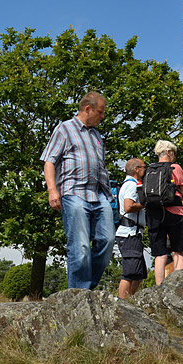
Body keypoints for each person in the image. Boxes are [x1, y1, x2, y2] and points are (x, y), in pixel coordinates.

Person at [41, 91, 115, 290]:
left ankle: (88, 287)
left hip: (99, 194)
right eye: (100, 112)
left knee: (107, 240)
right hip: (73, 193)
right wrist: (52, 190)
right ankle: (80, 293)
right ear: (88, 109)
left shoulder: (97, 135)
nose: (103, 116)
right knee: (80, 246)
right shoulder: (64, 129)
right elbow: (49, 161)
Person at [148, 140, 183, 284]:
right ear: (169, 152)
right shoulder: (175, 167)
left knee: (160, 254)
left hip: (154, 214)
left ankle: (159, 287)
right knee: (178, 251)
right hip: (174, 212)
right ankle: (179, 285)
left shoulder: (150, 169)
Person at [115, 158, 147, 299]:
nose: (145, 170)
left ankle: (129, 301)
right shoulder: (131, 185)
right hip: (129, 234)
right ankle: (121, 305)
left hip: (134, 233)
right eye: (143, 167)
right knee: (129, 272)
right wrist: (146, 204)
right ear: (136, 169)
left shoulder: (129, 184)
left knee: (139, 273)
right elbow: (128, 207)